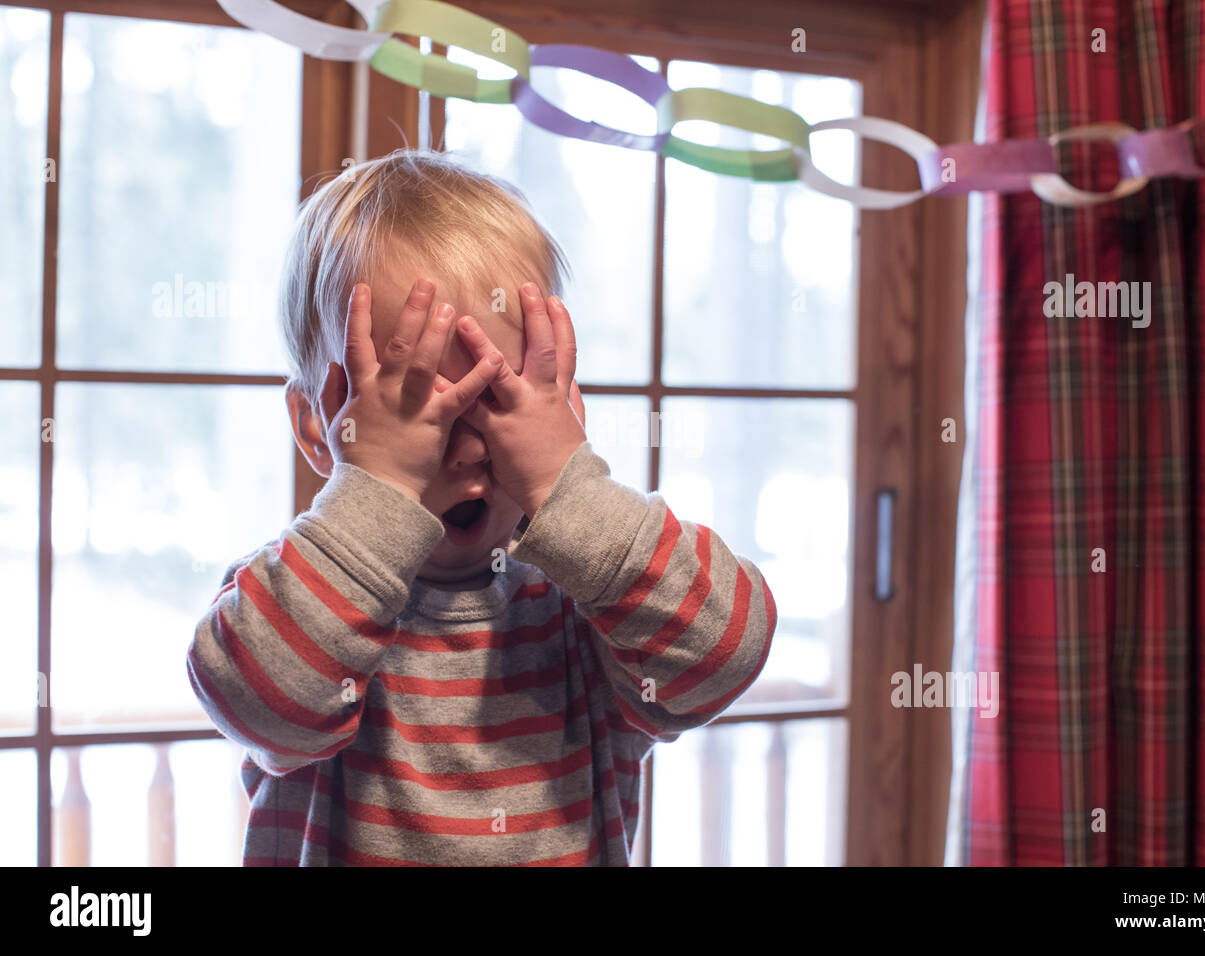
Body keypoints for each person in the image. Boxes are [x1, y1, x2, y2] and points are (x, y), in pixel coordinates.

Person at [187, 148, 776, 865]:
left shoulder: (592, 612)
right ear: (319, 425)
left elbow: (727, 652)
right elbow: (260, 705)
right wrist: (379, 491)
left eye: (496, 401)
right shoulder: (298, 603)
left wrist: (570, 484)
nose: (465, 450)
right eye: (412, 408)